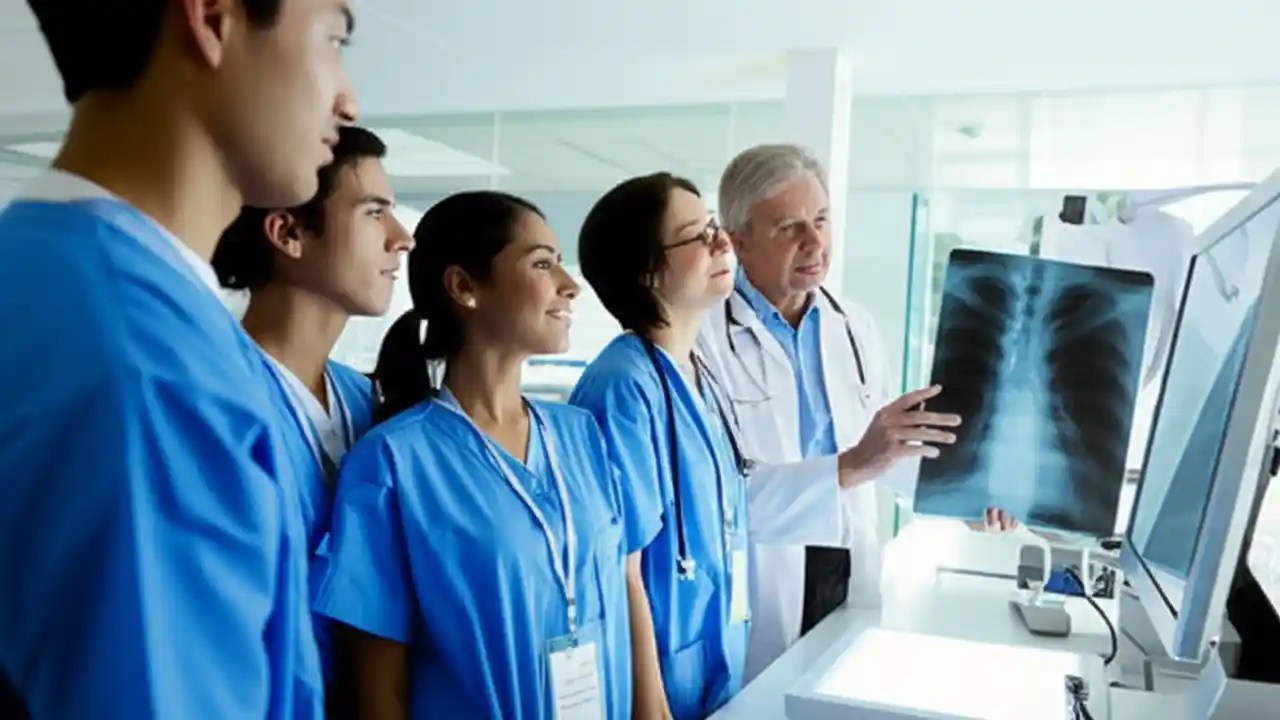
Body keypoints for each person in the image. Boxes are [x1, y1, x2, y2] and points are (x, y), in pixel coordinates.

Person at [0, 1, 356, 718]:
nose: (348, 99)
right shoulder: (148, 369)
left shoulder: (40, 273)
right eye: (333, 39)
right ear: (213, 19)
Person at [571, 173, 889, 718]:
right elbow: (618, 566)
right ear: (647, 270)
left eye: (714, 228)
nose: (722, 243)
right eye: (699, 235)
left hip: (715, 662)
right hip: (663, 680)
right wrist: (651, 704)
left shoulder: (697, 372)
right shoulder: (624, 386)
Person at [313, 191, 638, 718]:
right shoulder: (394, 462)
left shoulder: (582, 437)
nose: (570, 285)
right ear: (464, 287)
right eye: (541, 263)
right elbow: (379, 689)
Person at [701, 143, 1016, 681]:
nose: (815, 242)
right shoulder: (705, 339)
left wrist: (963, 495)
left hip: (849, 570)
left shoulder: (855, 328)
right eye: (789, 227)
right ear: (737, 241)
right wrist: (852, 465)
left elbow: (889, 455)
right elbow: (720, 497)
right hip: (761, 581)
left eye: (821, 219)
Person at [212, 124, 414, 684]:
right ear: (289, 233)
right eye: (374, 212)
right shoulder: (217, 402)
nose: (402, 237)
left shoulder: (365, 402)